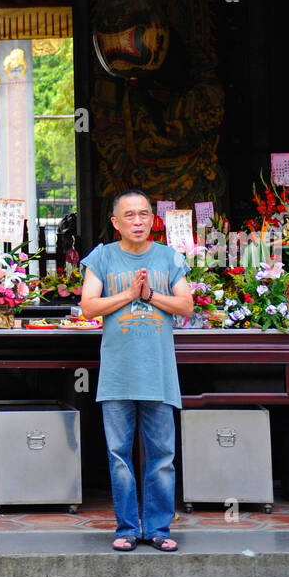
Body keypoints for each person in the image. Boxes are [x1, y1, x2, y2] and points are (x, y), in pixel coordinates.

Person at [80, 189, 194, 553]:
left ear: (152, 219)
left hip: (158, 374)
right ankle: (127, 528)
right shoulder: (102, 257)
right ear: (116, 222)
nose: (138, 221)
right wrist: (129, 294)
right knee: (118, 455)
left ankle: (159, 528)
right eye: (129, 215)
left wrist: (148, 296)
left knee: (162, 455)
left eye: (144, 214)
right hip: (117, 375)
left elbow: (185, 306)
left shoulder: (169, 257)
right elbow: (88, 307)